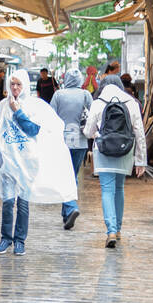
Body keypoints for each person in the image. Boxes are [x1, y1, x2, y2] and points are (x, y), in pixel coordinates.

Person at [0, 69, 77, 255]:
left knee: (23, 203)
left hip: (27, 163)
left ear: (24, 85)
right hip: (7, 163)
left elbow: (33, 130)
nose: (15, 88)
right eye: (12, 84)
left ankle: (20, 240)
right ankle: (5, 238)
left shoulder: (34, 106)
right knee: (8, 202)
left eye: (18, 84)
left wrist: (18, 112)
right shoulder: (2, 106)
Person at [84, 74, 148, 247]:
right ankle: (118, 229)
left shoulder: (98, 103)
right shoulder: (132, 102)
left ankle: (110, 230)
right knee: (119, 189)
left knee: (107, 190)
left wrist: (97, 134)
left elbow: (88, 132)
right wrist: (141, 161)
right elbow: (139, 133)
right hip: (125, 150)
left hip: (104, 150)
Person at [50, 68, 92, 230]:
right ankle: (66, 213)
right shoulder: (85, 95)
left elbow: (51, 117)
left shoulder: (59, 95)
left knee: (64, 176)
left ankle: (71, 206)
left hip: (62, 141)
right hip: (80, 142)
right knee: (72, 174)